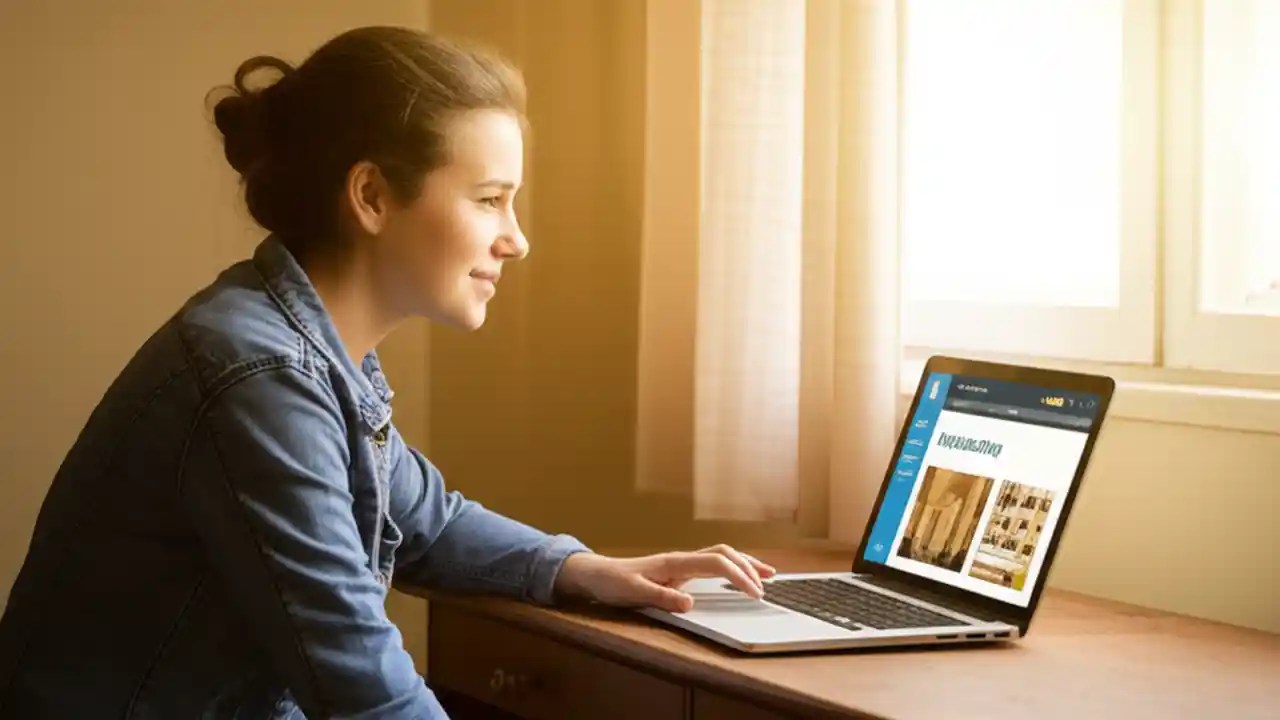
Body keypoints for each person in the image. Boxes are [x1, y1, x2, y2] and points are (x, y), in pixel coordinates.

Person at [0, 26, 776, 719]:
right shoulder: (260, 374)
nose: (517, 240)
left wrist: (586, 569)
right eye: (490, 200)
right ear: (371, 196)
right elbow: (356, 677)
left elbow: (426, 519)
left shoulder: (306, 349)